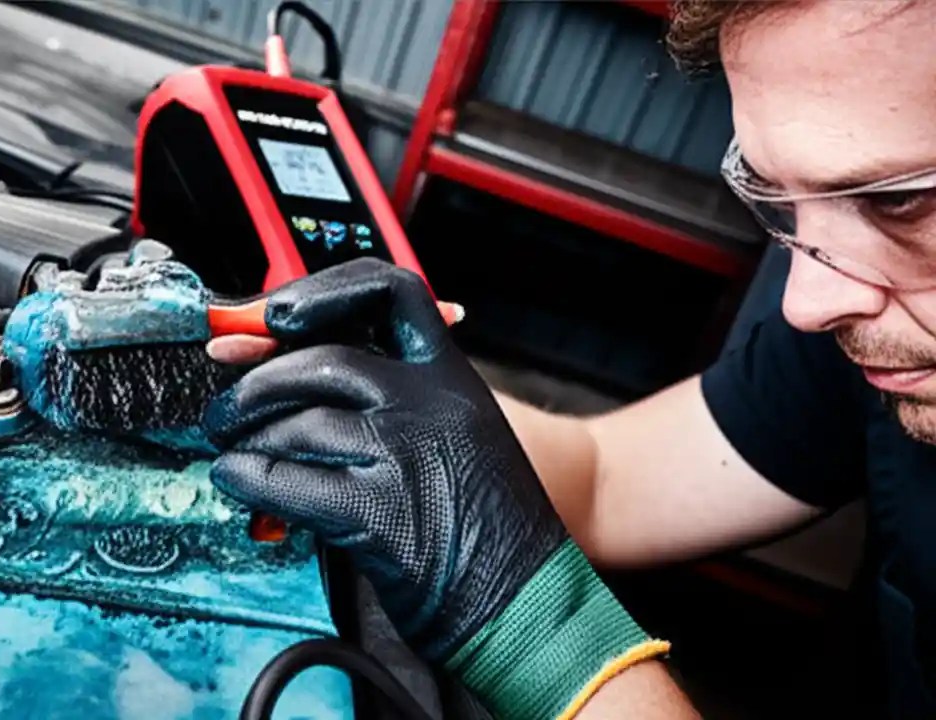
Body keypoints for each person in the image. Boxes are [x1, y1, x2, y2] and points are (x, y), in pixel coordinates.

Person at [201, 0, 936, 717]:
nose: (808, 303)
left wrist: (542, 633)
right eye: (783, 202)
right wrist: (382, 391)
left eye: (899, 205)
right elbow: (604, 480)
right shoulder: (868, 335)